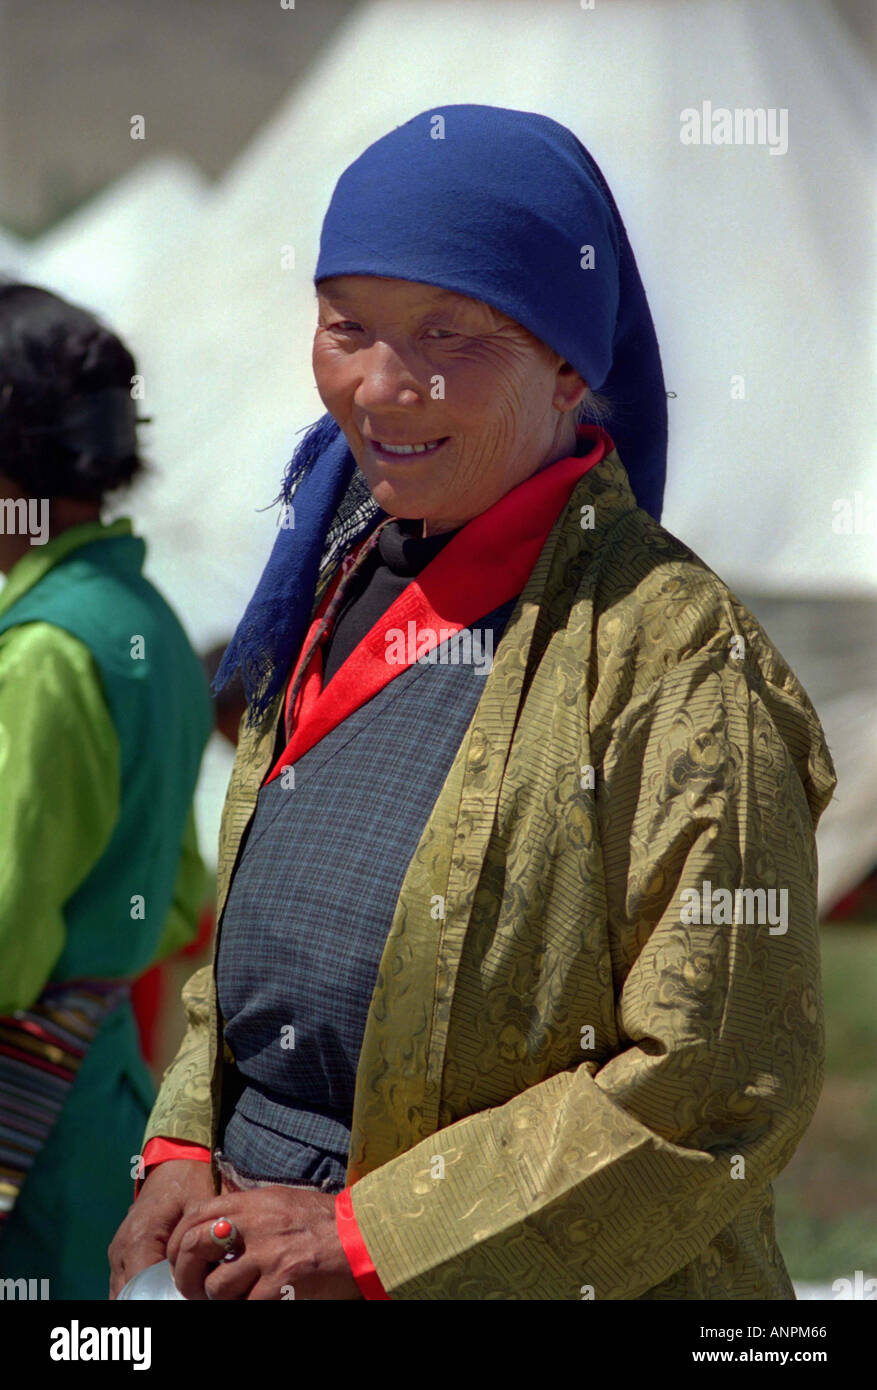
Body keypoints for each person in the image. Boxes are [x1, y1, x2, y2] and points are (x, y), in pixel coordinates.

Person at [109, 104, 836, 1301]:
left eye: (450, 334)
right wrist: (186, 1134)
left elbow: (716, 1075)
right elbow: (263, 955)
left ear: (567, 365)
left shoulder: (677, 665)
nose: (382, 388)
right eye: (348, 329)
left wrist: (370, 1236)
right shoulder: (336, 572)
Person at [0, 280, 212, 1298]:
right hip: (103, 1099)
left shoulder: (41, 651)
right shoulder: (148, 625)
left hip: (20, 1109)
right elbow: (177, 890)